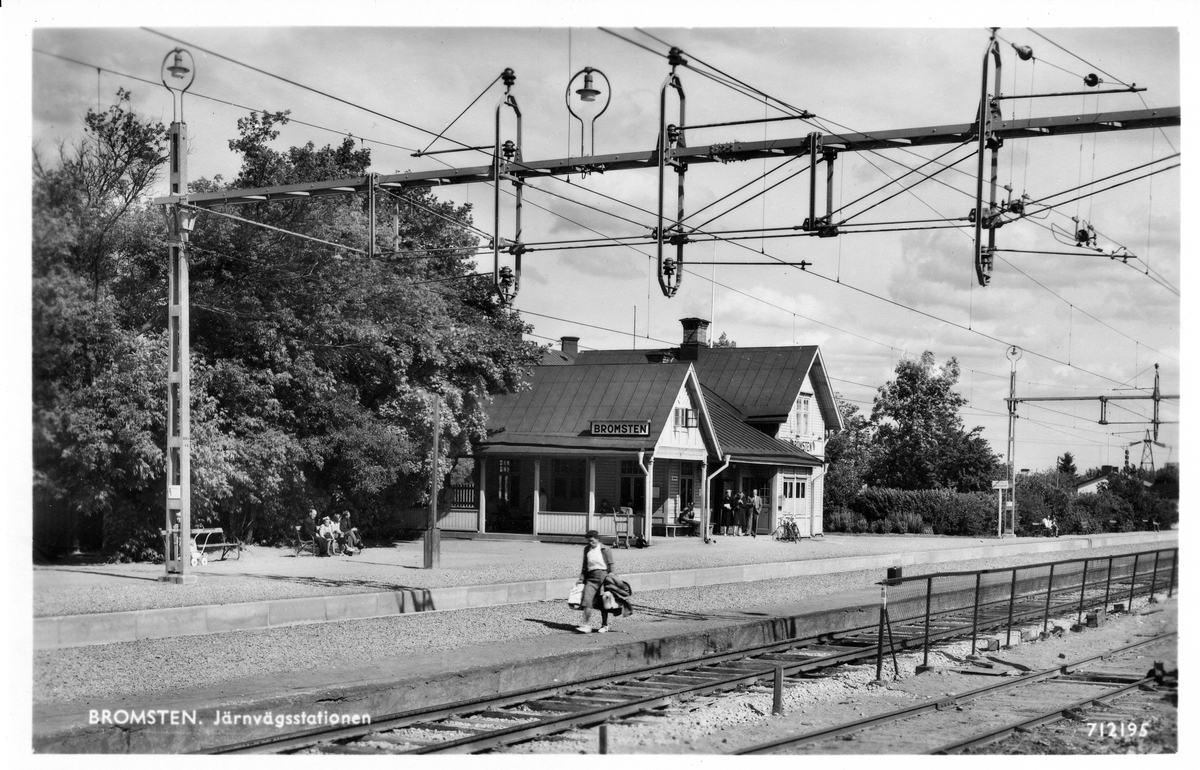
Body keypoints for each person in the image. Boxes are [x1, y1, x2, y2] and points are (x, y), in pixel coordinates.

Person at [576, 530, 616, 633]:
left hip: (603, 576)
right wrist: (581, 579)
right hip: (591, 577)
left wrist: (612, 575)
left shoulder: (605, 549)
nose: (590, 543)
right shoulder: (586, 550)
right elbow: (584, 566)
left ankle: (604, 625)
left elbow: (611, 564)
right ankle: (586, 625)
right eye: (588, 541)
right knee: (587, 600)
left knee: (604, 602)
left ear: (598, 540)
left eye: (592, 541)